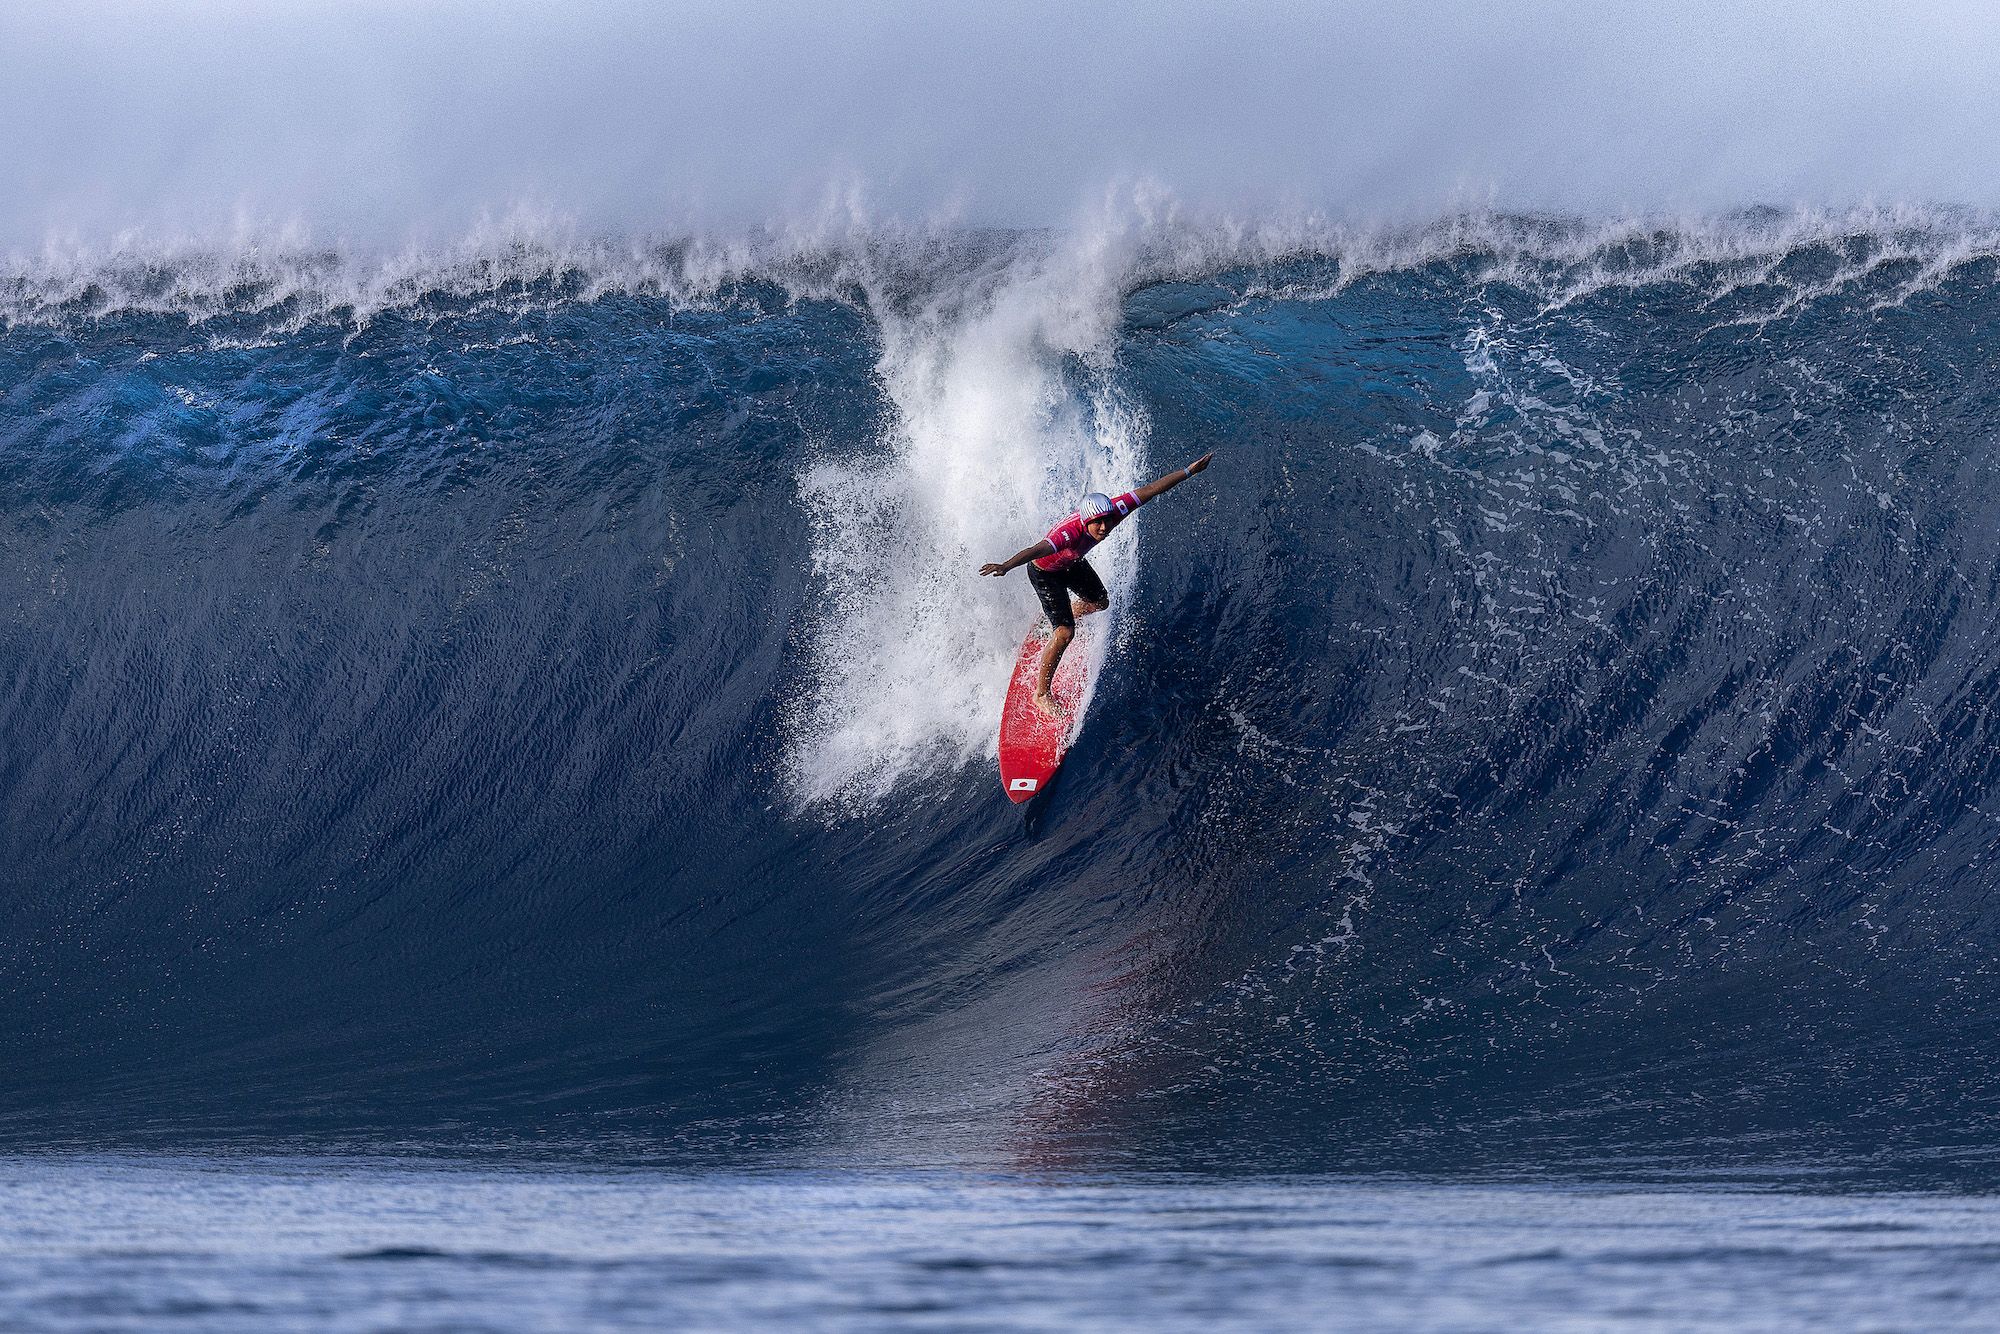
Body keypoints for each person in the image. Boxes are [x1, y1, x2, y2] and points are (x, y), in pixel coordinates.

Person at [979, 453, 1215, 717]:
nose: (1104, 527)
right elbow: (1035, 550)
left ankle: (1056, 623)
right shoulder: (1067, 534)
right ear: (1086, 521)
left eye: (1107, 520)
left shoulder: (1115, 511)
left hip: (1071, 563)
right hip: (1045, 572)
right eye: (1097, 523)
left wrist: (1189, 471)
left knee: (1100, 603)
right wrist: (1006, 565)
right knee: (1067, 633)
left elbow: (1151, 490)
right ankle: (1041, 693)